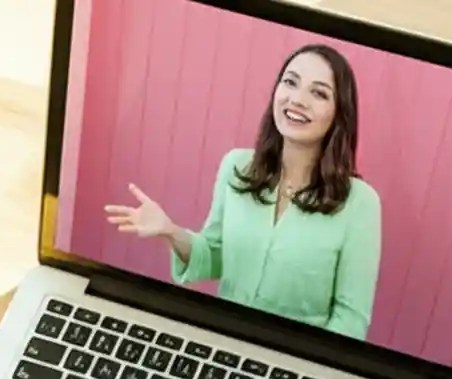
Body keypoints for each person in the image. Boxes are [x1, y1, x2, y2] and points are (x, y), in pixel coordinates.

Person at [104, 43, 382, 340]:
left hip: (300, 366)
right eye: (290, 82)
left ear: (339, 113)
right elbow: (213, 256)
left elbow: (350, 322)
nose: (297, 99)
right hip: (224, 341)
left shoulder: (361, 203)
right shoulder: (236, 166)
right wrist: (170, 231)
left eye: (319, 93)